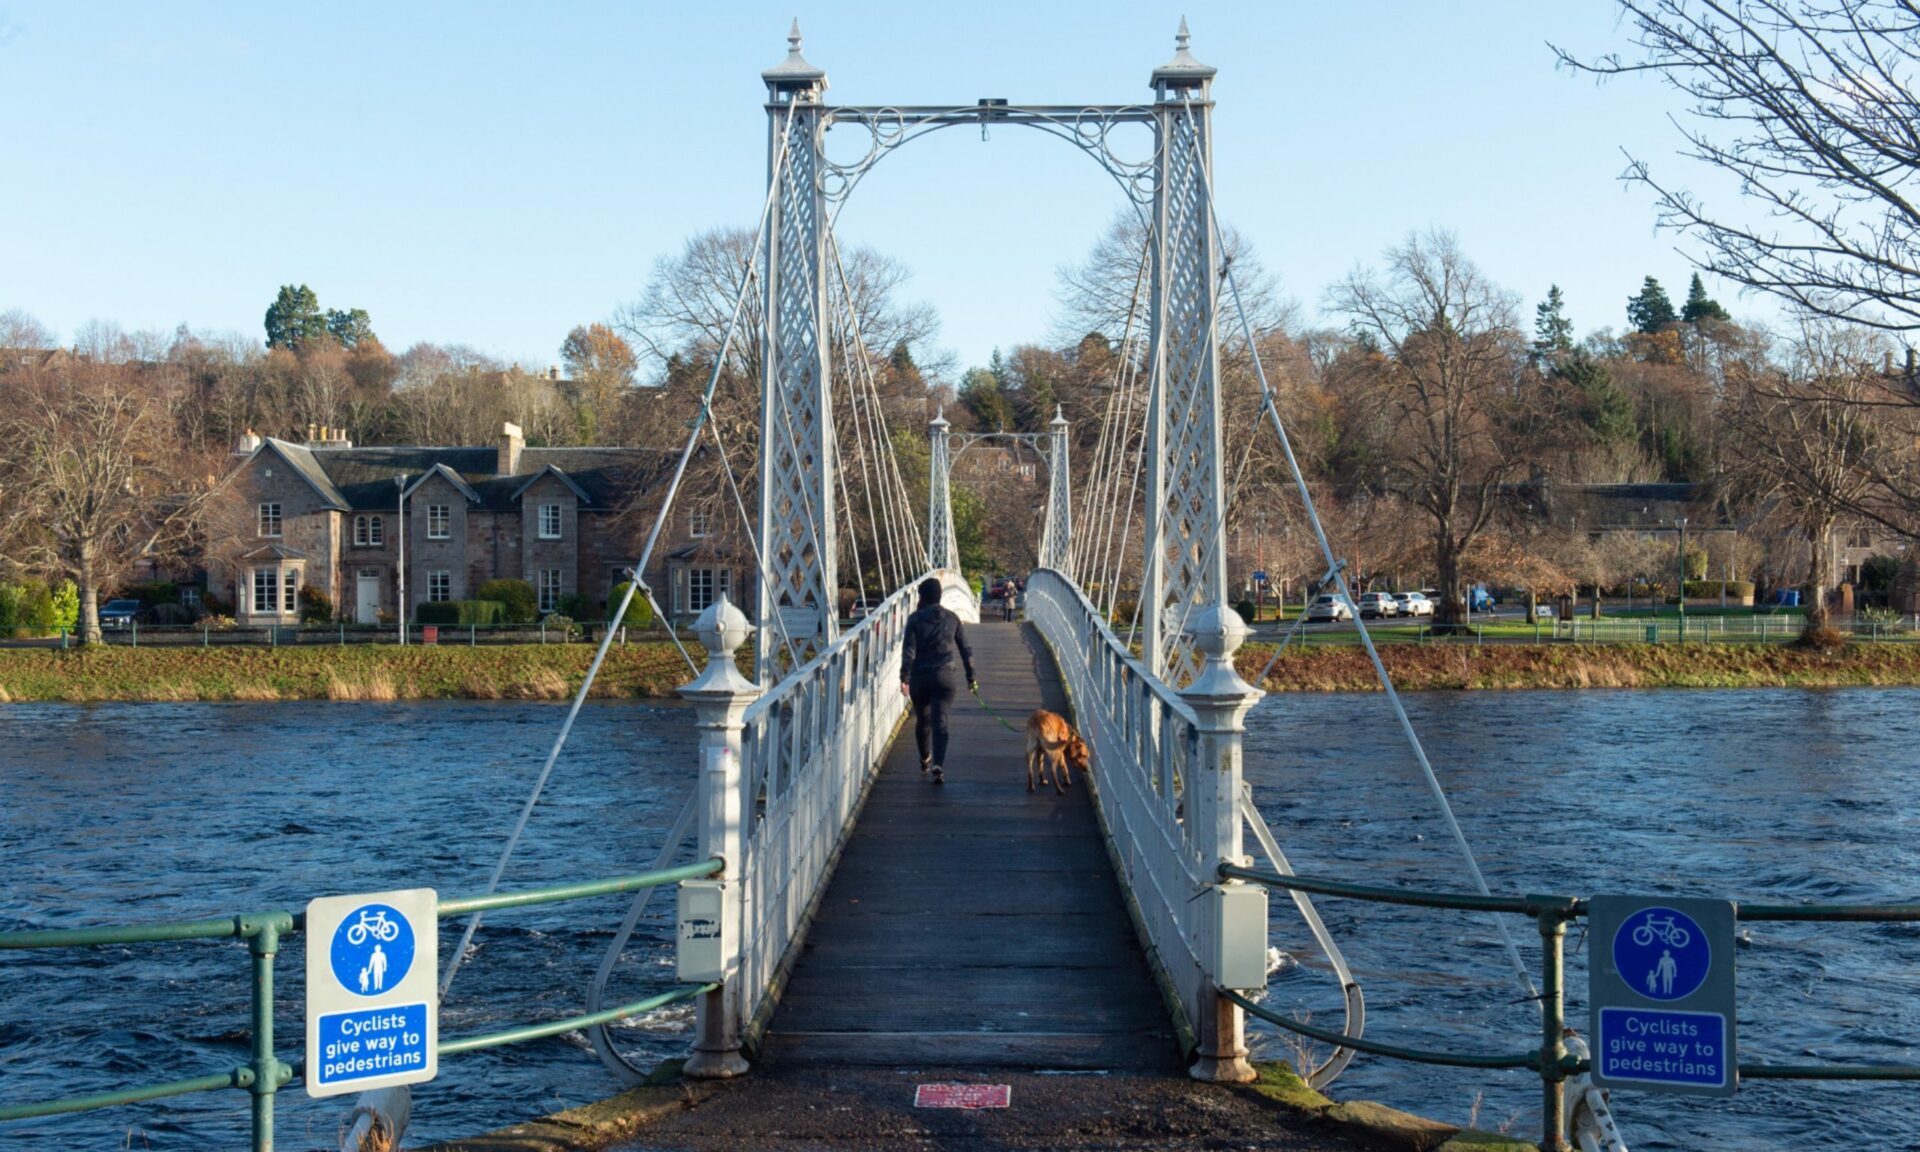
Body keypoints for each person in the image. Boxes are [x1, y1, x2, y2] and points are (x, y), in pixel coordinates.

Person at [900, 577, 976, 785]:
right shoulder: (952, 618)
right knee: (940, 721)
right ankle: (938, 766)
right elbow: (966, 649)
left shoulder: (915, 619)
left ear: (922, 597)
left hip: (920, 677)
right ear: (940, 595)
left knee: (923, 720)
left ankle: (925, 759)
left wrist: (904, 677)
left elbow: (909, 652)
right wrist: (971, 676)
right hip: (945, 676)